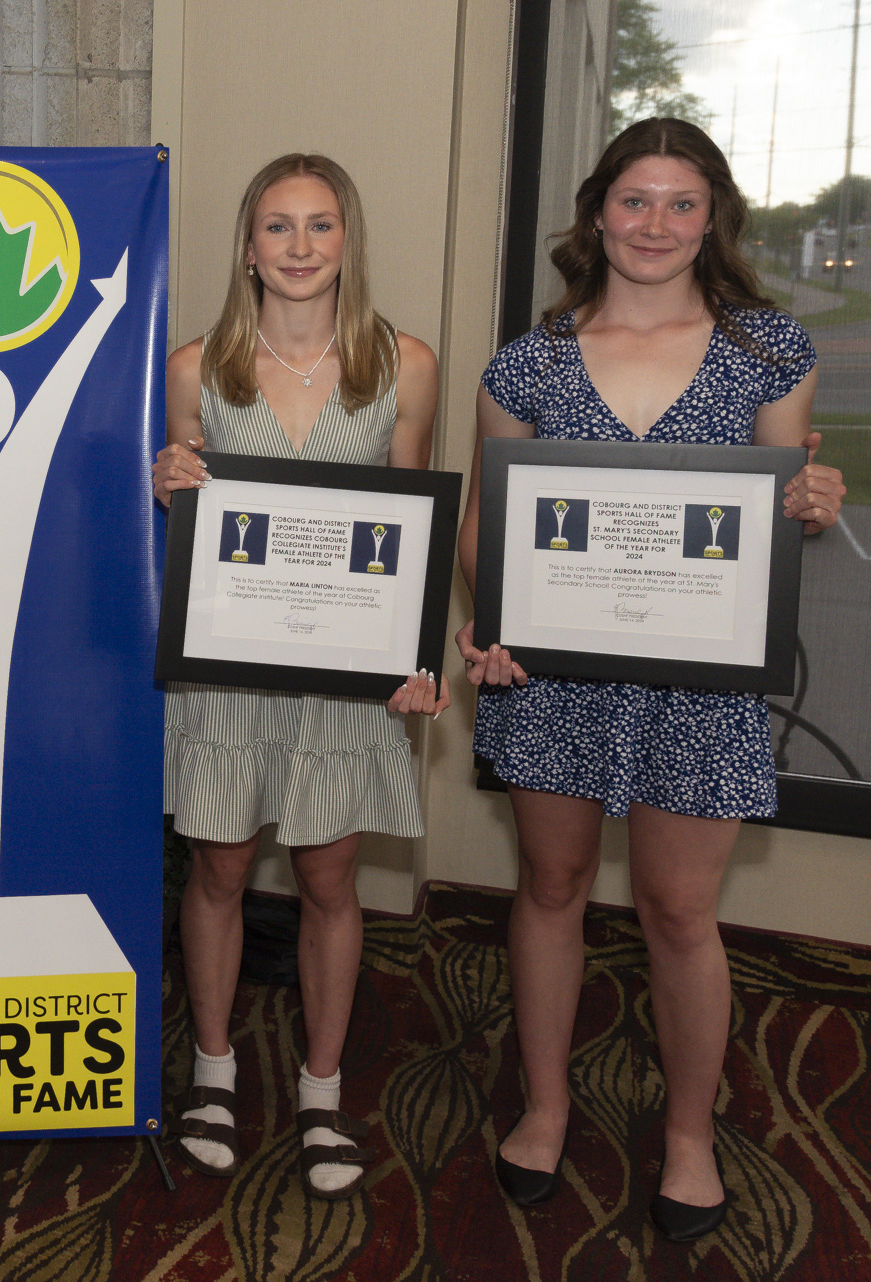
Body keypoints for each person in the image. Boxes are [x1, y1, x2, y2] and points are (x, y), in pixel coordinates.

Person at [454, 118, 843, 1243]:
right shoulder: (526, 361)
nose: (657, 225)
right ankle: (544, 1104)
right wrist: (496, 618)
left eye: (682, 203)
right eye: (636, 200)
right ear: (596, 214)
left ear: (712, 215)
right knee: (550, 887)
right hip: (555, 674)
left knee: (679, 910)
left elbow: (790, 502)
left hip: (701, 679)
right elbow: (489, 519)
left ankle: (686, 1132)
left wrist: (814, 507)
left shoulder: (771, 352)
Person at [153, 154, 447, 1195]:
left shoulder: (402, 362)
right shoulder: (196, 367)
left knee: (328, 880)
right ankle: (216, 1070)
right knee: (221, 871)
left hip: (342, 672)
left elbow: (415, 518)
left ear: (347, 242)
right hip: (229, 669)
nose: (300, 247)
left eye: (321, 226)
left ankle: (322, 1091)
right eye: (277, 227)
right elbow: (178, 517)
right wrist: (163, 479)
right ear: (247, 246)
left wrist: (420, 654)